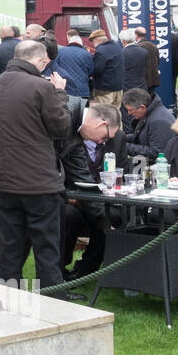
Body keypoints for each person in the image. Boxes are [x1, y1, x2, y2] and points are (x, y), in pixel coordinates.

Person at [0, 40, 71, 290]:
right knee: (46, 248)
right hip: (38, 183)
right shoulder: (41, 87)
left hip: (3, 181)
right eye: (45, 63)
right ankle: (50, 301)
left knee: (10, 247)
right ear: (40, 61)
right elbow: (61, 128)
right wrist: (60, 92)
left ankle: (9, 300)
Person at [59, 101, 121, 284]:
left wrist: (103, 218)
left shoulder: (76, 134)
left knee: (110, 218)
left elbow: (81, 175)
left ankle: (85, 272)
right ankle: (57, 274)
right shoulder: (65, 120)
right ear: (102, 124)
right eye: (106, 137)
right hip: (63, 197)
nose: (103, 142)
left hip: (96, 199)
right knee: (69, 215)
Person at [120, 87, 175, 162]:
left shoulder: (158, 122)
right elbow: (143, 137)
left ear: (142, 107)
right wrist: (120, 138)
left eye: (131, 110)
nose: (129, 113)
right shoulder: (151, 113)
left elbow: (157, 153)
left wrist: (125, 147)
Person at [50, 30, 92, 98]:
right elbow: (91, 71)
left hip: (66, 89)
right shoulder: (87, 54)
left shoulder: (60, 51)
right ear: (81, 43)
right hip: (82, 91)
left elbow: (54, 68)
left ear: (69, 41)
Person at [87, 29, 123, 106]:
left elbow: (97, 70)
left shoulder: (100, 51)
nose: (92, 44)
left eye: (92, 41)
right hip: (118, 88)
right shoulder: (116, 47)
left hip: (105, 90)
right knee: (116, 113)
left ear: (97, 40)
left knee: (103, 114)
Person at [121, 29, 149, 93]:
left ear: (123, 41)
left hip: (126, 87)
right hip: (141, 86)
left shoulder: (122, 53)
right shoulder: (144, 52)